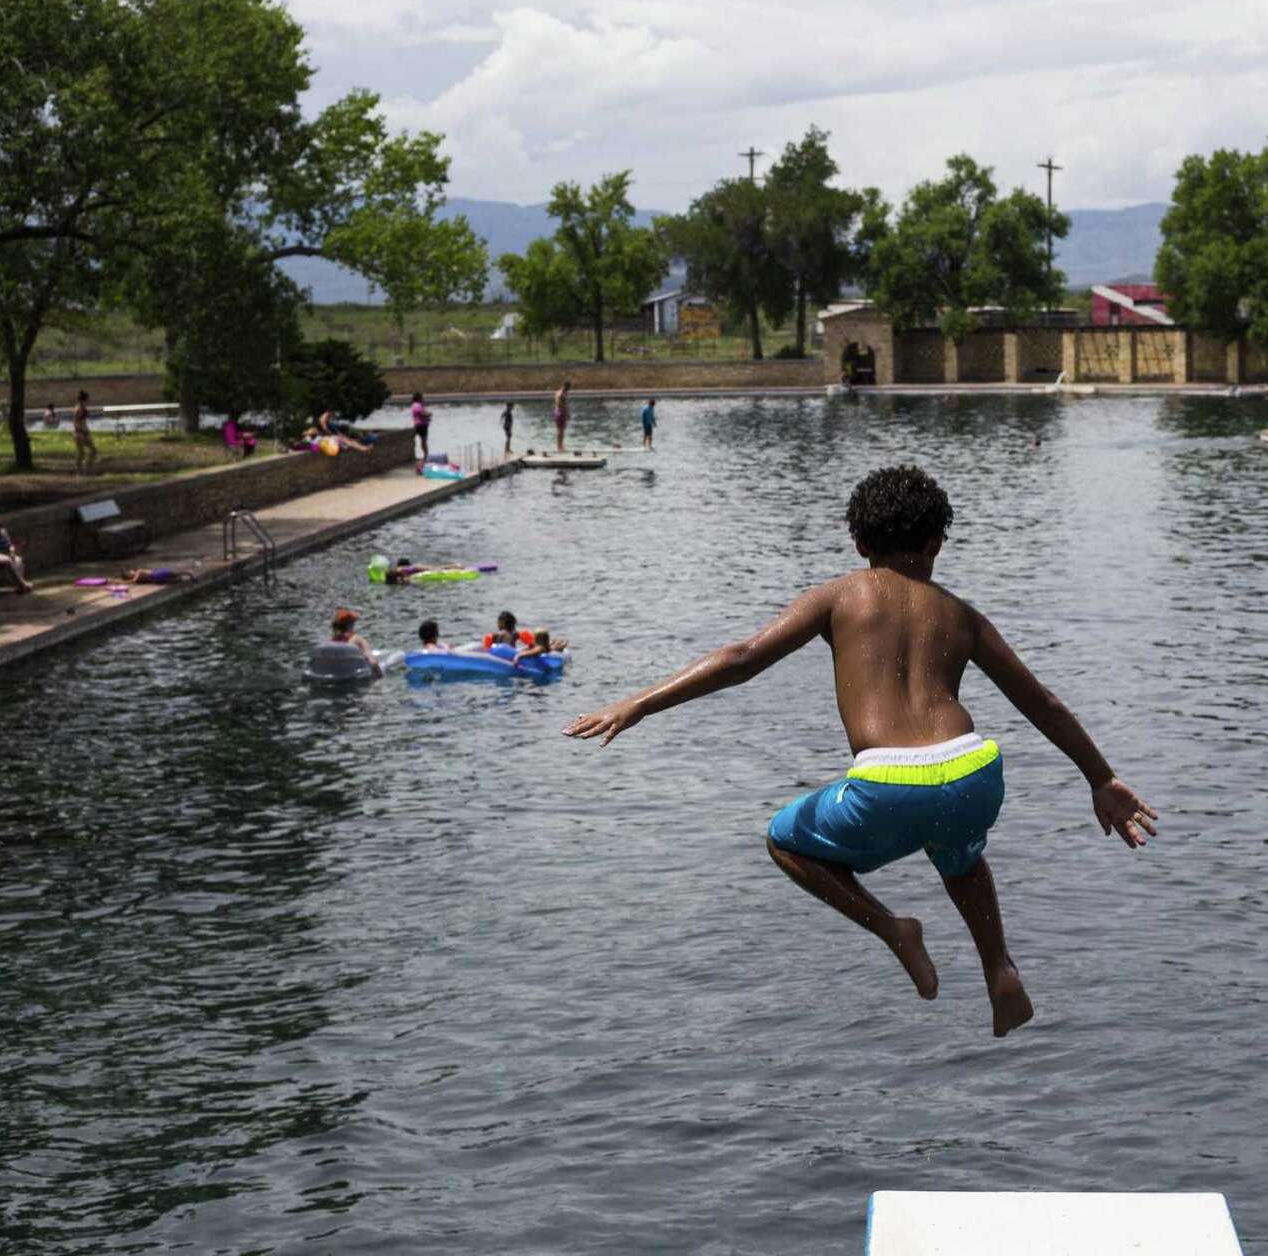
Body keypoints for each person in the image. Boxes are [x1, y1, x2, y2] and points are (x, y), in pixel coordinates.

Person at [564, 465, 1158, 1037]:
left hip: (890, 782)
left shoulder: (841, 596)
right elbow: (1043, 704)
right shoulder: (962, 615)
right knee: (959, 854)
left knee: (783, 839)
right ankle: (999, 968)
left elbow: (742, 658)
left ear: (856, 540)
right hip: (975, 770)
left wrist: (639, 702)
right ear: (936, 543)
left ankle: (894, 929)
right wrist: (1100, 779)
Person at [329, 608, 383, 676]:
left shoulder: (331, 641)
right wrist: (380, 676)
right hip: (352, 676)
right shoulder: (356, 639)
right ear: (350, 624)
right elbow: (372, 662)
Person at [72, 391, 97, 474]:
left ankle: (87, 468)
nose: (89, 401)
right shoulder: (79, 409)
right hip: (79, 433)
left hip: (83, 432)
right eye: (87, 399)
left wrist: (87, 431)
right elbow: (77, 422)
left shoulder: (82, 408)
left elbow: (83, 422)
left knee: (93, 451)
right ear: (84, 399)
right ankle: (80, 471)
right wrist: (82, 432)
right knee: (81, 452)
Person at [411, 392, 432, 460]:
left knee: (422, 441)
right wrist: (428, 414)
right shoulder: (417, 405)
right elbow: (421, 414)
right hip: (420, 426)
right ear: (419, 398)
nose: (423, 399)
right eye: (422, 397)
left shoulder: (417, 405)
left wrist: (427, 417)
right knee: (423, 441)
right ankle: (426, 456)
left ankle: (425, 455)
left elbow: (421, 414)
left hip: (421, 425)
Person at [120, 567, 195, 584]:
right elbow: (133, 580)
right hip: (156, 577)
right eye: (129, 573)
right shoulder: (136, 577)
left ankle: (187, 575)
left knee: (174, 575)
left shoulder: (138, 572)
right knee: (173, 579)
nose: (131, 572)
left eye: (130, 572)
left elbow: (140, 571)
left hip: (157, 574)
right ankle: (186, 577)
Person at [553, 381, 570, 452]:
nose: (569, 389)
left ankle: (560, 445)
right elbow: (560, 404)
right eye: (569, 388)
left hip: (557, 412)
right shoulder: (561, 394)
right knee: (561, 431)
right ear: (566, 386)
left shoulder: (558, 392)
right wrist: (566, 413)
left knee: (561, 430)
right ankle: (559, 447)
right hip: (561, 413)